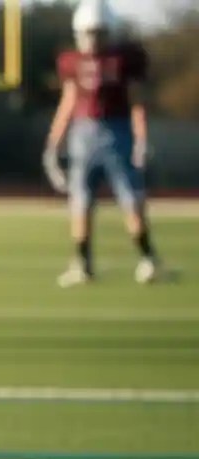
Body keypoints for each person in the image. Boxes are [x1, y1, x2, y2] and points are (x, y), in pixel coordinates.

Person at [44, 0, 162, 288]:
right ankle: (83, 263)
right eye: (88, 33)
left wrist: (141, 138)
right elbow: (69, 101)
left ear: (109, 31)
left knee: (130, 199)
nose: (93, 39)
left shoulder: (122, 60)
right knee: (80, 203)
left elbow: (136, 102)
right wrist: (53, 143)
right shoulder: (72, 62)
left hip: (117, 131)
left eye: (98, 33)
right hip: (83, 135)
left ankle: (149, 259)